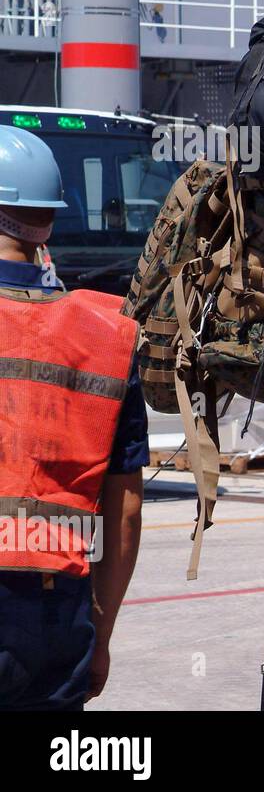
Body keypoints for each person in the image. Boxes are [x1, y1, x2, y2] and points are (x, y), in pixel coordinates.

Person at [0, 125, 145, 710]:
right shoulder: (106, 336)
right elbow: (125, 510)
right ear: (49, 222)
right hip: (56, 616)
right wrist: (100, 635)